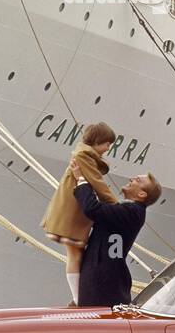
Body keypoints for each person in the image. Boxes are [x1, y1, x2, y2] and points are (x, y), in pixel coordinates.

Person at [41, 123, 118, 305]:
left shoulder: (84, 155)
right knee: (75, 254)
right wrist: (117, 208)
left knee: (77, 254)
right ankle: (79, 298)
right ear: (98, 141)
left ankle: (81, 296)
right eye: (107, 144)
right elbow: (97, 182)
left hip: (73, 210)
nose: (108, 148)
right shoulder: (84, 156)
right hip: (72, 213)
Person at [68, 158, 160, 307]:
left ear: (142, 194)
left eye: (137, 180)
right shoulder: (129, 211)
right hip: (103, 283)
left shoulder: (131, 212)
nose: (131, 179)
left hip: (103, 285)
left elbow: (93, 209)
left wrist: (81, 180)